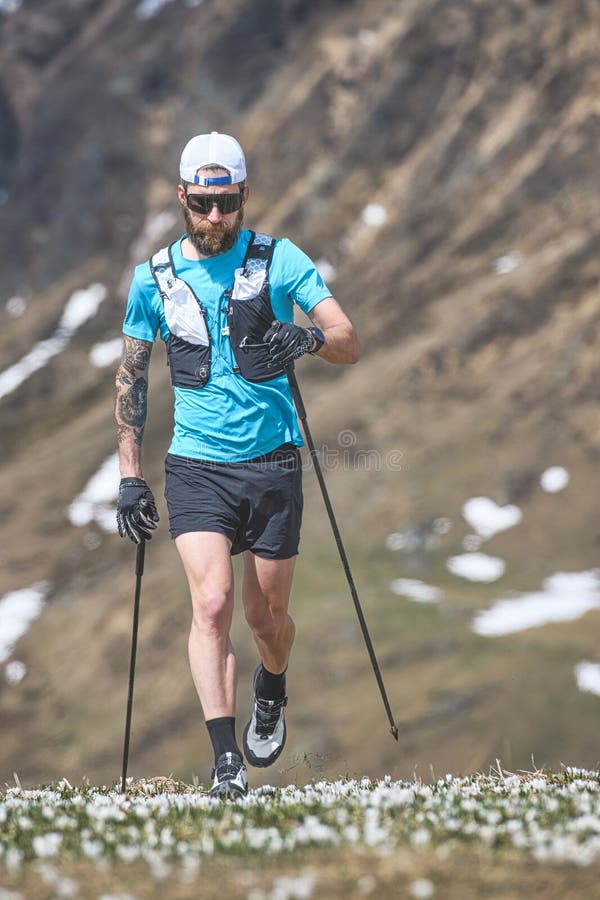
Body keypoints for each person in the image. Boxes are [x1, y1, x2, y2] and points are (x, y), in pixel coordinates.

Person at [114, 131, 360, 798]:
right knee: (213, 603)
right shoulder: (153, 279)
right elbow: (131, 383)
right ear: (182, 197)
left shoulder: (280, 262)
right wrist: (129, 476)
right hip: (196, 468)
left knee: (265, 620)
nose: (215, 216)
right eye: (202, 202)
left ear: (244, 196)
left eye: (226, 202)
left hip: (274, 463)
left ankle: (271, 686)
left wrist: (307, 337)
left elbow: (348, 339)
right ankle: (226, 762)